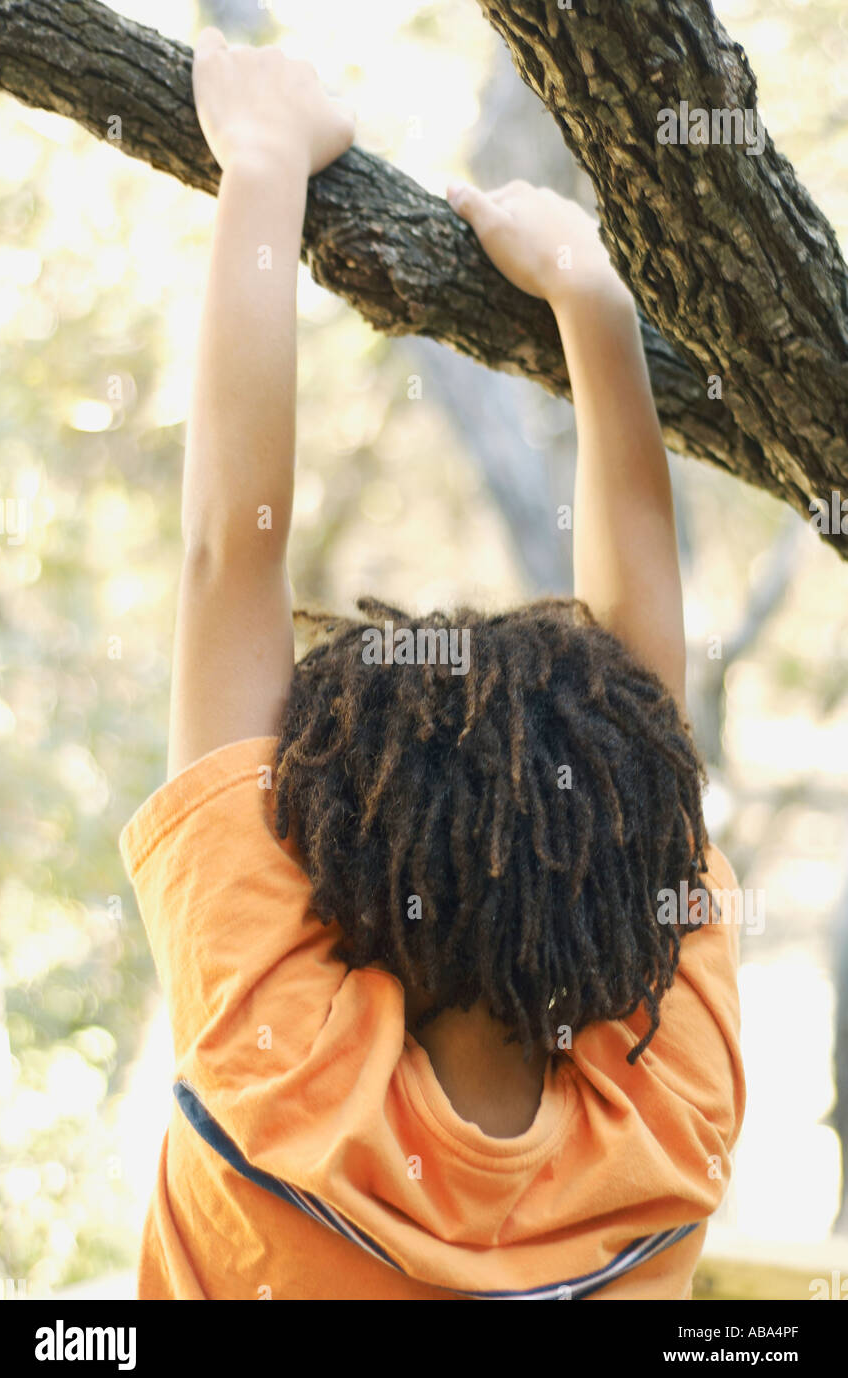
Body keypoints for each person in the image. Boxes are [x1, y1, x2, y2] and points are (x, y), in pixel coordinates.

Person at [119, 29, 745, 1300]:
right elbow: (647, 741)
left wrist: (262, 167)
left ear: (340, 851)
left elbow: (224, 557)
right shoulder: (665, 1120)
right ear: (628, 845)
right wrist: (591, 298)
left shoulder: (278, 1080)